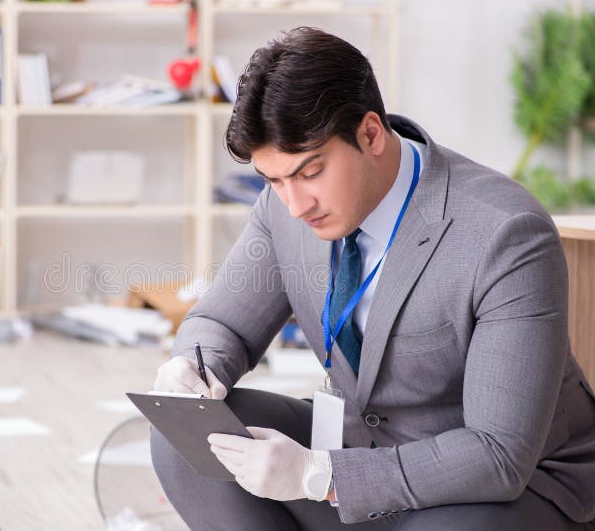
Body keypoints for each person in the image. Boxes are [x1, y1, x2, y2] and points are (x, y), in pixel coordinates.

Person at [150, 27, 595, 530]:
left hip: (498, 484)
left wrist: (320, 475)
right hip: (355, 446)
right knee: (184, 440)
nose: (295, 204)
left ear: (370, 134)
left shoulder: (505, 233)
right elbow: (223, 324)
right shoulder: (284, 208)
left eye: (309, 172)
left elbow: (498, 453)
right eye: (273, 180)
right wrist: (193, 367)